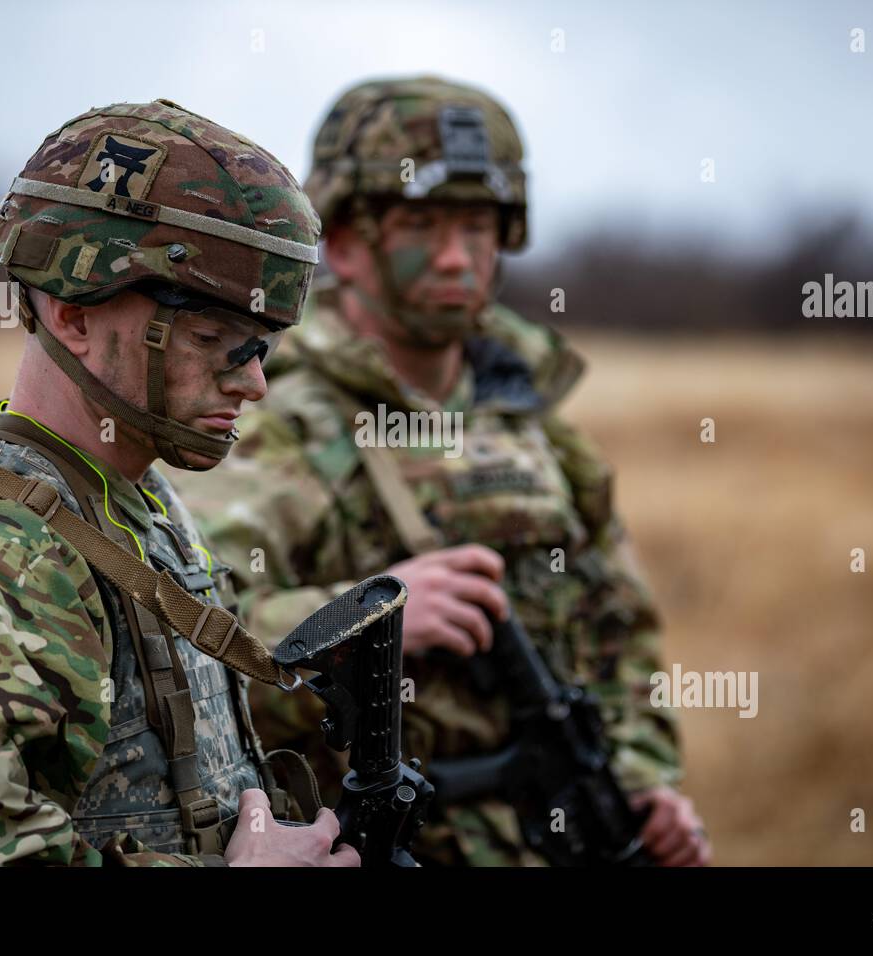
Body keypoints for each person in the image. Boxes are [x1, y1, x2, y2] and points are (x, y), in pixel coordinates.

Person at [0, 99, 358, 867]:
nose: (255, 384)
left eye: (260, 348)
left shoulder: (135, 503)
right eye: (213, 341)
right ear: (71, 314)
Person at [169, 76, 712, 866]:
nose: (458, 256)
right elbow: (188, 643)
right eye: (422, 224)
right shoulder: (274, 423)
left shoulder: (530, 424)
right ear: (348, 243)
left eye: (478, 225)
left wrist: (642, 785)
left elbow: (618, 631)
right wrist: (365, 624)